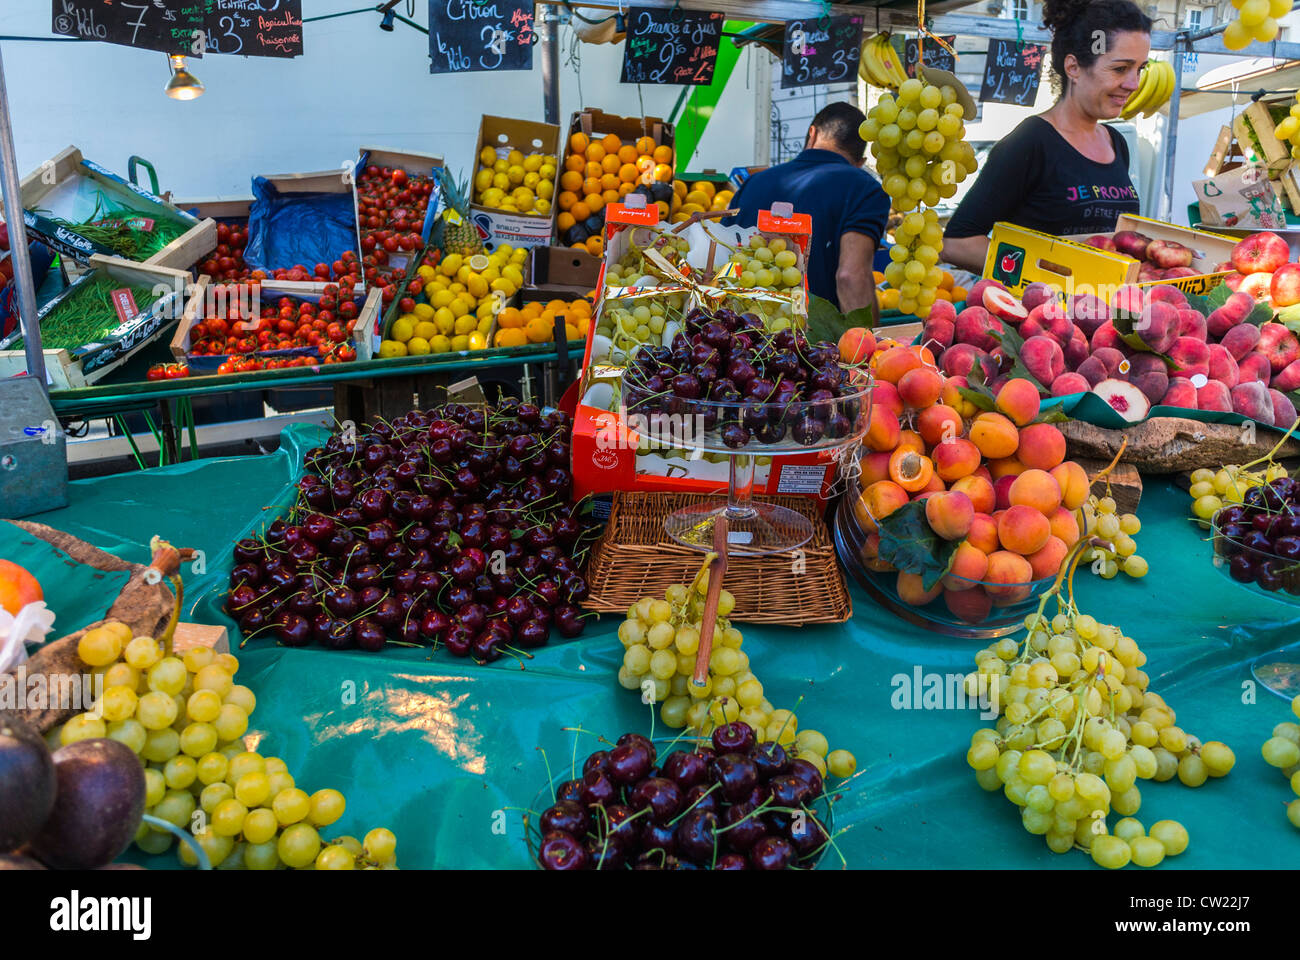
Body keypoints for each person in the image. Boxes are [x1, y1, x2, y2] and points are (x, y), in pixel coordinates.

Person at [941, 0, 1152, 274]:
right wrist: (1048, 272)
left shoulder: (1116, 142)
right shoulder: (1031, 141)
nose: (1133, 84)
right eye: (1120, 69)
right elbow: (957, 243)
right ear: (1073, 67)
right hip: (1041, 313)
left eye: (1140, 69)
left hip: (1103, 313)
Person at [728, 102, 890, 315]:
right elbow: (851, 277)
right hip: (817, 345)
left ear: (812, 134)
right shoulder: (865, 189)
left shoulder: (752, 184)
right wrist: (865, 342)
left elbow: (725, 260)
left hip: (742, 339)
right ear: (860, 161)